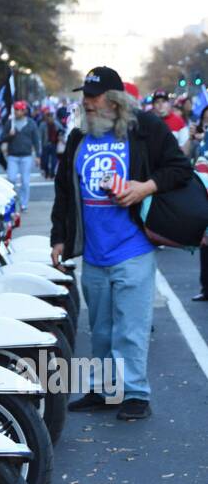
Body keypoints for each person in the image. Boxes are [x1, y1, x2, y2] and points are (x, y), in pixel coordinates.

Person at [51, 65, 191, 420]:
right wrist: (59, 238)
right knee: (100, 328)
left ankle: (136, 394)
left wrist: (144, 187)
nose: (87, 103)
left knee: (130, 326)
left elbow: (179, 169)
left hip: (133, 248)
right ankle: (102, 389)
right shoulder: (78, 137)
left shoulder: (144, 129)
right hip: (94, 253)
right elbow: (64, 190)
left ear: (114, 101)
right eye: (85, 97)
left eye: (93, 97)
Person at [187, 103, 208, 301]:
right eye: (206, 119)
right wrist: (192, 139)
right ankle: (206, 287)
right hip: (203, 193)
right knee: (205, 243)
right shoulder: (200, 142)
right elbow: (185, 158)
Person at [4, 100, 40, 211]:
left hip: (26, 156)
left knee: (25, 181)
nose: (17, 112)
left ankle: (24, 203)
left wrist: (38, 156)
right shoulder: (10, 123)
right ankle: (13, 201)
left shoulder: (31, 123)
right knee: (11, 179)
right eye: (15, 110)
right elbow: (3, 137)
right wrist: (9, 136)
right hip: (13, 156)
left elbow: (36, 140)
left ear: (24, 111)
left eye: (19, 110)